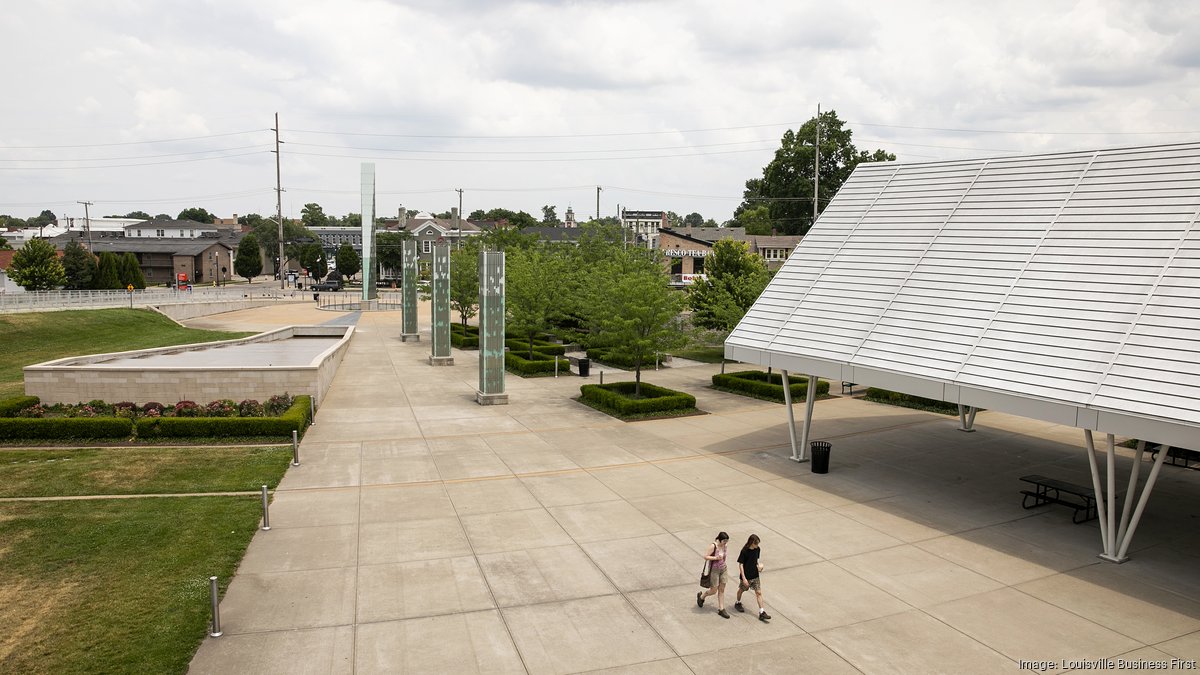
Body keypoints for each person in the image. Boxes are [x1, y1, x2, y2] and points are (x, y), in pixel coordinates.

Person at [735, 534, 771, 622]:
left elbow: (757, 560)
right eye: (756, 544)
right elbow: (741, 564)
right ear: (751, 543)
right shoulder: (744, 551)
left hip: (755, 575)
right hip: (746, 576)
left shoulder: (757, 549)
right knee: (741, 590)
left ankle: (762, 612)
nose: (757, 546)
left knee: (758, 592)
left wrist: (759, 566)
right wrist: (743, 578)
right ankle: (738, 602)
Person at [696, 531, 731, 618]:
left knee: (722, 589)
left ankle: (721, 609)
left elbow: (725, 556)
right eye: (724, 541)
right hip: (714, 570)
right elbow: (706, 556)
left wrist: (723, 562)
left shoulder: (725, 546)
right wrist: (716, 558)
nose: (725, 543)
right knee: (714, 590)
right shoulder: (713, 546)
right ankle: (702, 597)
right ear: (720, 539)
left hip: (723, 569)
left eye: (727, 541)